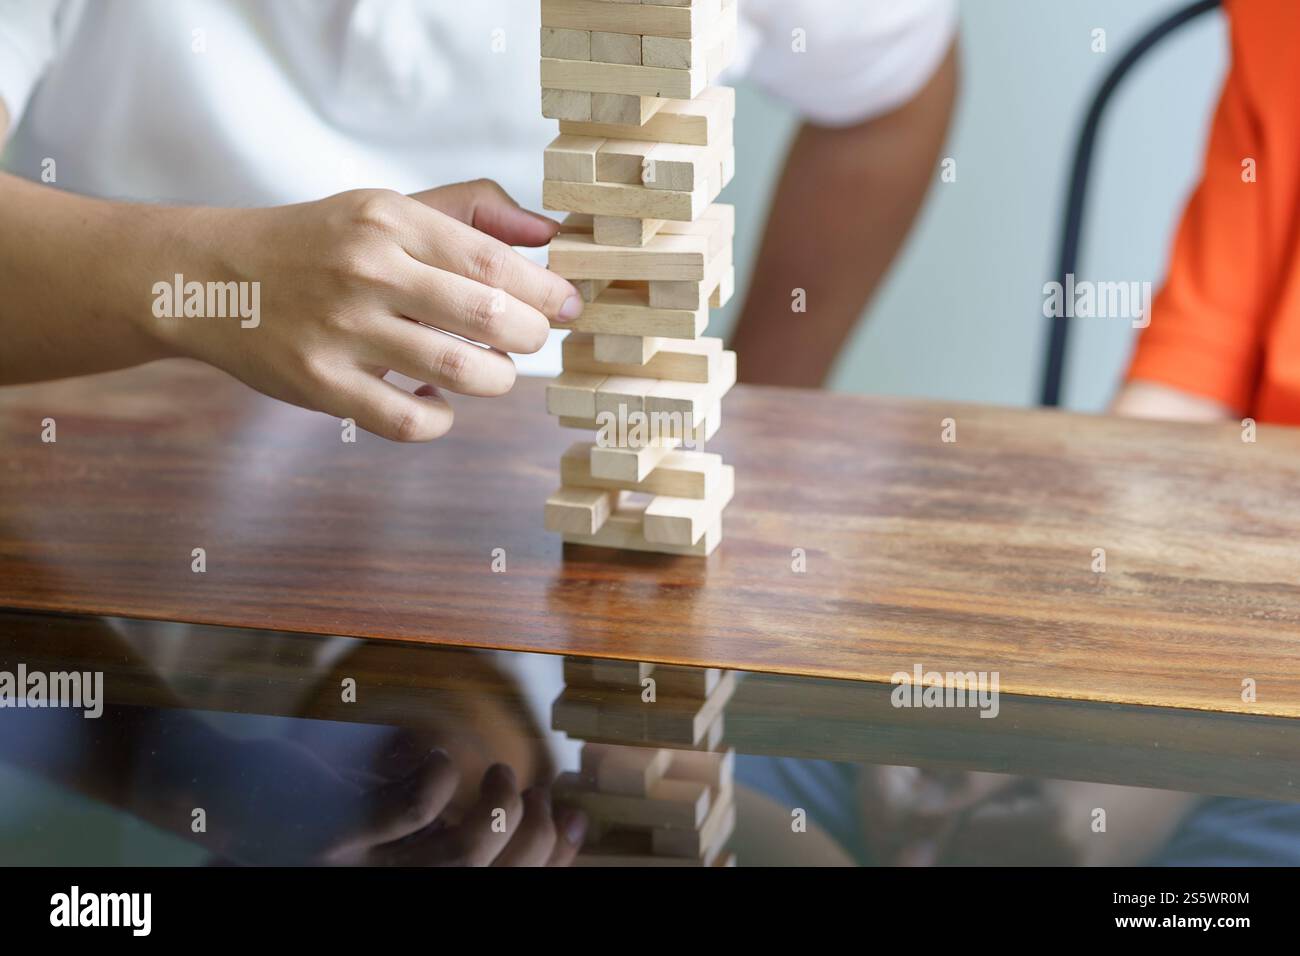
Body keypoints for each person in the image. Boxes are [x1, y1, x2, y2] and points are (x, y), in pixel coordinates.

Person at [0, 0, 958, 441]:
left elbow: (892, 83)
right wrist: (223, 288)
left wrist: (760, 418)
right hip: (103, 455)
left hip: (535, 484)